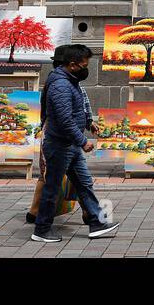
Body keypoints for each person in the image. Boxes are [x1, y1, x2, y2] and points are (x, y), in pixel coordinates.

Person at [31, 44, 120, 243]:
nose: (85, 69)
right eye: (83, 65)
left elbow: (75, 110)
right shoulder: (61, 85)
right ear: (72, 65)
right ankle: (41, 229)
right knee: (52, 187)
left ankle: (96, 222)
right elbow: (64, 120)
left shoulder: (70, 81)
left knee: (83, 182)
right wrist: (82, 141)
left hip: (69, 144)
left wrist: (88, 123)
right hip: (60, 145)